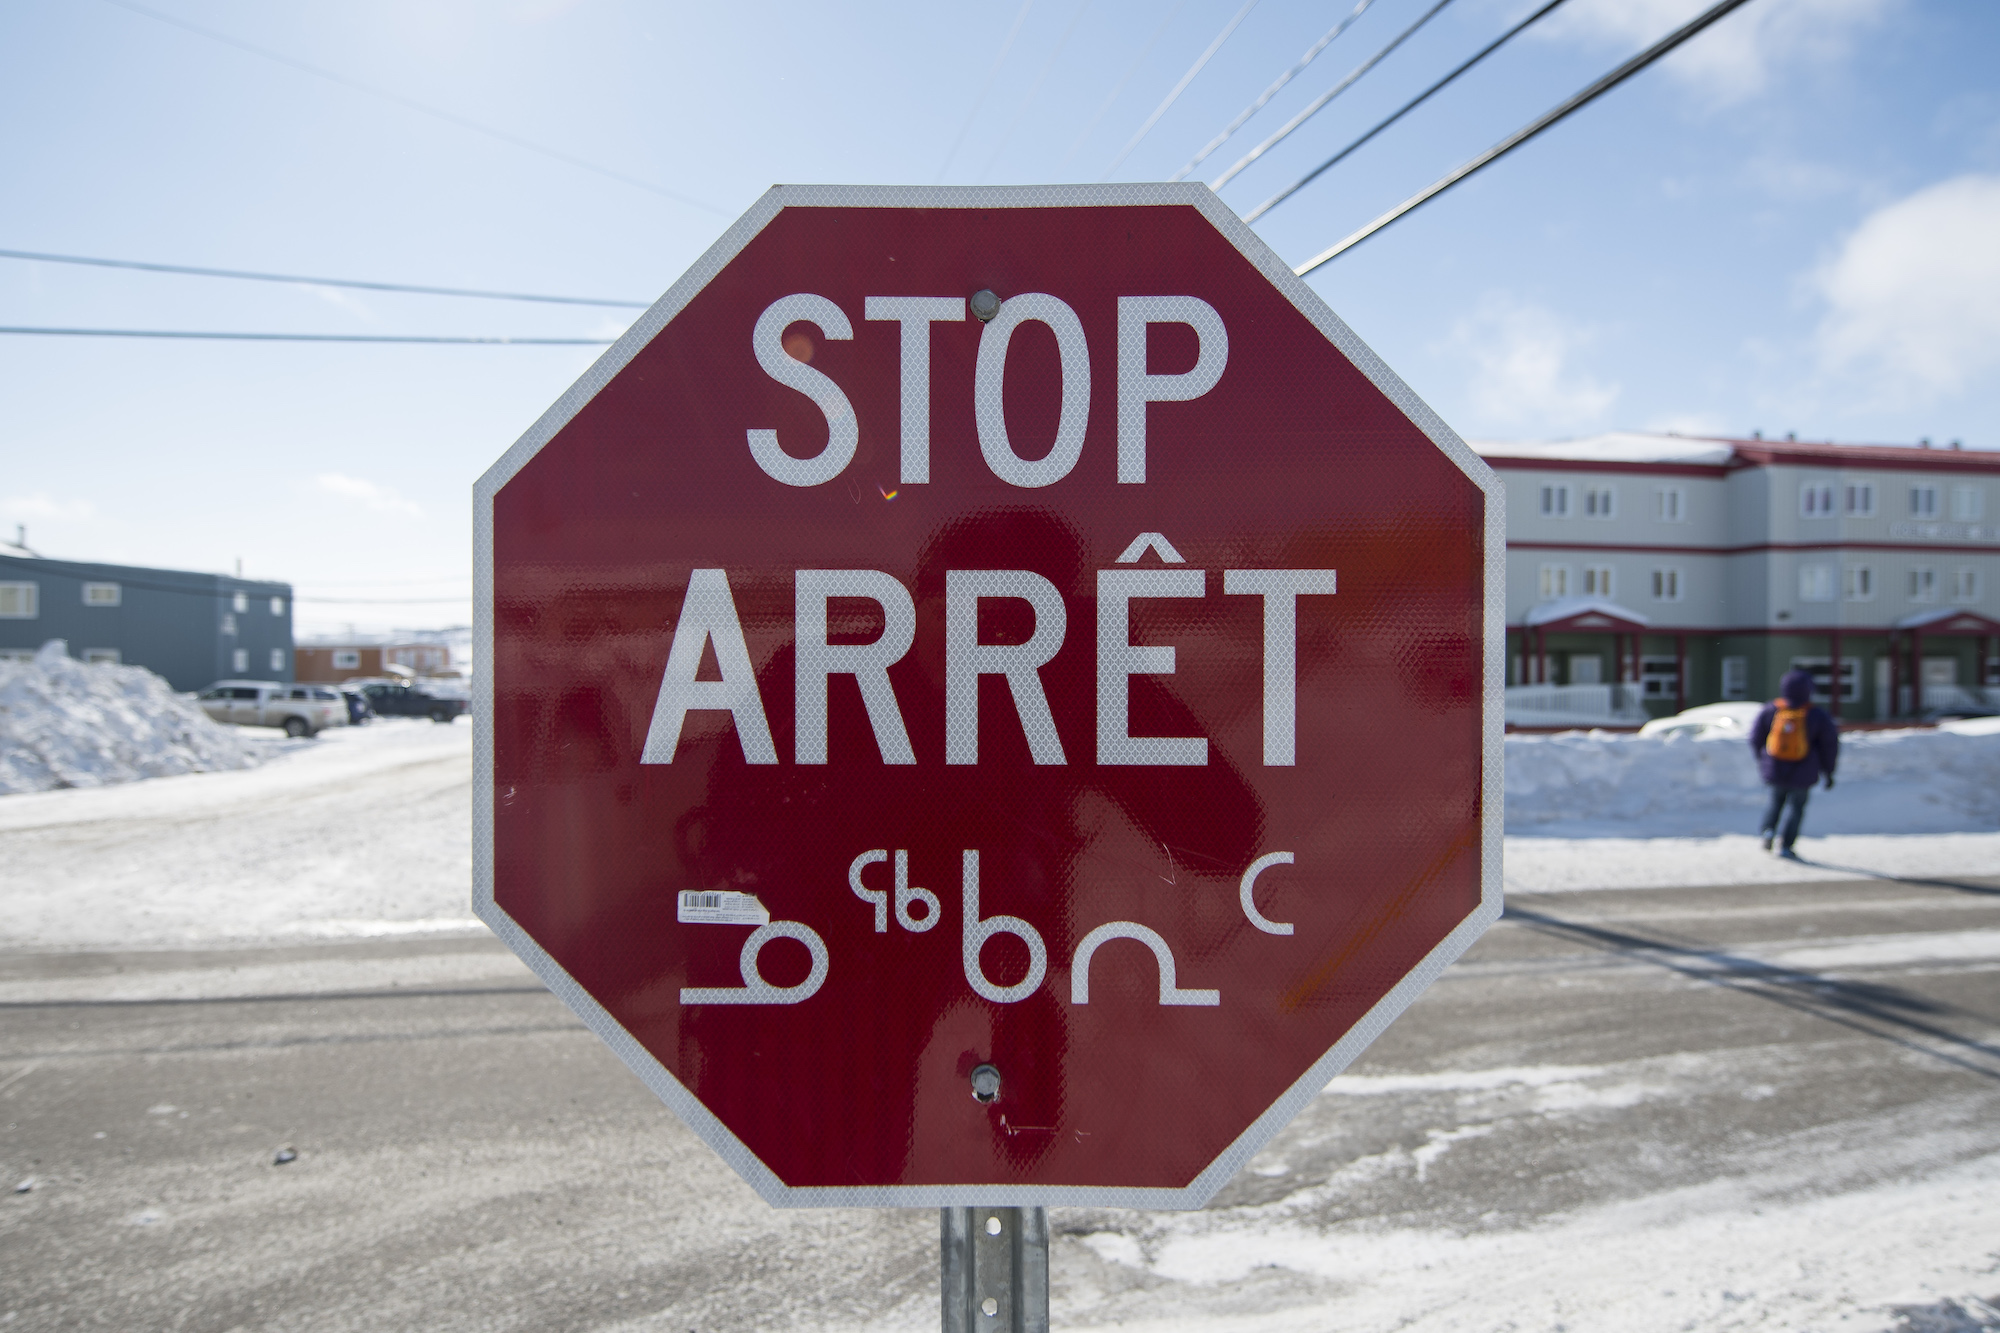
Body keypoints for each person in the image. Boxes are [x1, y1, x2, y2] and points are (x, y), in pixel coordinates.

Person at [1749, 667, 1839, 860]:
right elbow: (1829, 745)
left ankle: (1768, 831)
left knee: (1775, 802)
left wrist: (1763, 760)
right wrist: (1828, 771)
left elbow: (1756, 737)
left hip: (1775, 769)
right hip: (1804, 771)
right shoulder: (1816, 715)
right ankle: (1786, 845)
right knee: (1796, 808)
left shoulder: (1772, 709)